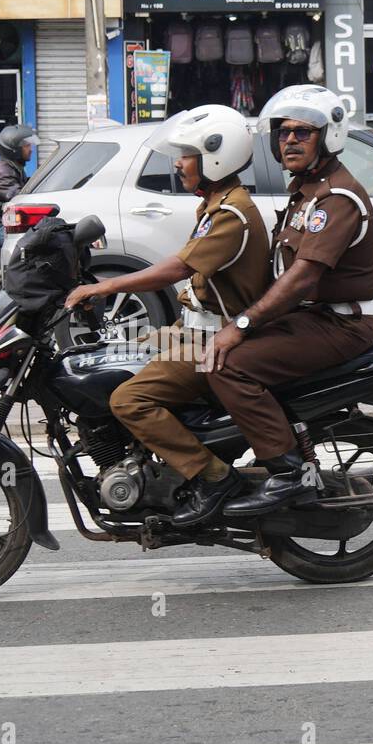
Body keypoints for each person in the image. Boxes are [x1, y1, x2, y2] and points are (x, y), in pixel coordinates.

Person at [64, 105, 271, 527]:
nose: (178, 162)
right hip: (192, 332)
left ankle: (213, 477)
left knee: (129, 400)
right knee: (114, 359)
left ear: (216, 157)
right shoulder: (216, 205)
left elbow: (177, 269)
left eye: (188, 154)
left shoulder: (231, 216)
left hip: (216, 344)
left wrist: (103, 286)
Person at [201, 85, 373, 518]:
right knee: (195, 353)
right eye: (282, 133)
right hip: (311, 319)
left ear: (328, 137)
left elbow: (302, 278)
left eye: (303, 132)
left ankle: (286, 473)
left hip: (338, 326)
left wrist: (241, 326)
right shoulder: (307, 191)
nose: (290, 141)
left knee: (229, 365)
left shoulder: (337, 198)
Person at [0, 124, 38, 243]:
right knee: (31, 245)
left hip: (9, 221)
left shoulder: (14, 166)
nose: (31, 149)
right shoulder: (4, 172)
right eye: (26, 146)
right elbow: (18, 198)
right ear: (14, 149)